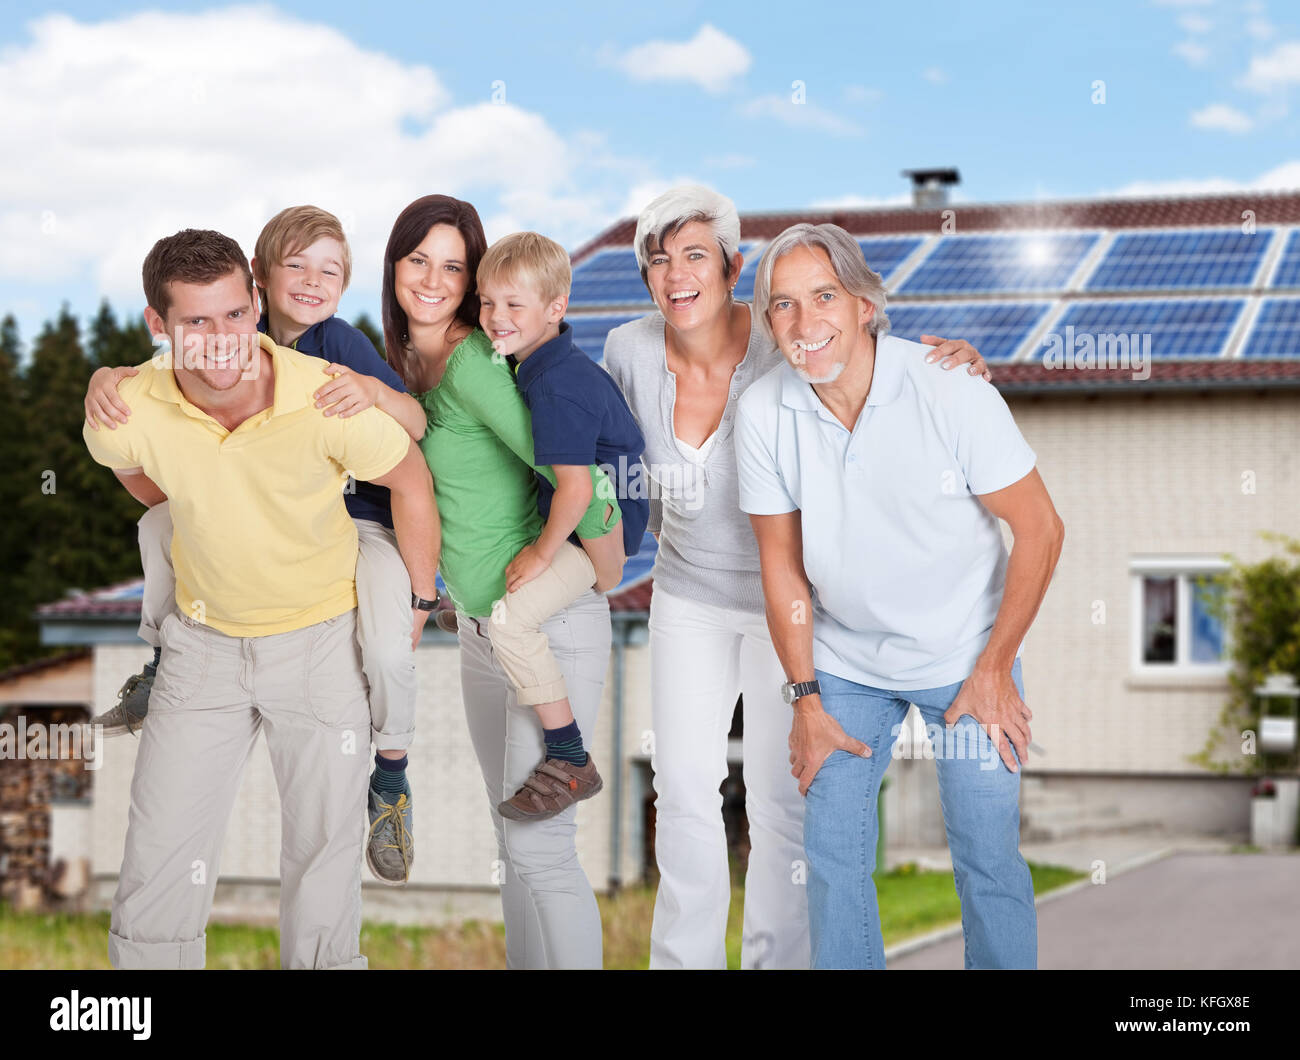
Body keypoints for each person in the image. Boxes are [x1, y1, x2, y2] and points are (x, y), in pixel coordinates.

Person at [602, 184, 991, 969]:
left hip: (795, 604)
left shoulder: (782, 342)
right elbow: (592, 444)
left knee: (782, 804)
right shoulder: (627, 352)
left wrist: (953, 365)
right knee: (681, 793)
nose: (677, 274)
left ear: (733, 266)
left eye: (695, 256)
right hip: (688, 597)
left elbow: (858, 353)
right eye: (659, 259)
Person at [82, 228, 439, 968]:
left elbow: (409, 478)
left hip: (319, 645)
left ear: (255, 299)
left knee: (323, 859)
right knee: (158, 856)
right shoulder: (125, 411)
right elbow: (150, 488)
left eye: (235, 316)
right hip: (200, 652)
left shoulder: (322, 394)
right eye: (195, 323)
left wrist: (417, 598)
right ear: (159, 326)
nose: (222, 342)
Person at [735, 222, 1065, 969]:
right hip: (846, 660)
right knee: (832, 856)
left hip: (967, 652)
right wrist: (807, 701)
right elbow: (782, 569)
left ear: (865, 304)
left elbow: (1041, 531)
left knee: (987, 856)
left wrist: (992, 669)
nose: (803, 323)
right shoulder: (761, 414)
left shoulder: (948, 387)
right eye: (782, 306)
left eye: (823, 296)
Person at [381, 195, 615, 968]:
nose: (434, 279)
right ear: (395, 265)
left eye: (454, 265)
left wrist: (605, 560)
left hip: (545, 622)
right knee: (512, 838)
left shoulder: (475, 365)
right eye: (420, 260)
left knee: (542, 851)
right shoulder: (407, 367)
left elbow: (573, 471)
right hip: (481, 630)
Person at [476, 231, 650, 821]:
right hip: (585, 515)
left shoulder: (555, 385)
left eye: (513, 305)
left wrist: (543, 554)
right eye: (487, 303)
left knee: (510, 625)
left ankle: (571, 755)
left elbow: (578, 489)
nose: (496, 318)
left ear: (556, 309)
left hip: (596, 527)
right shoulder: (542, 364)